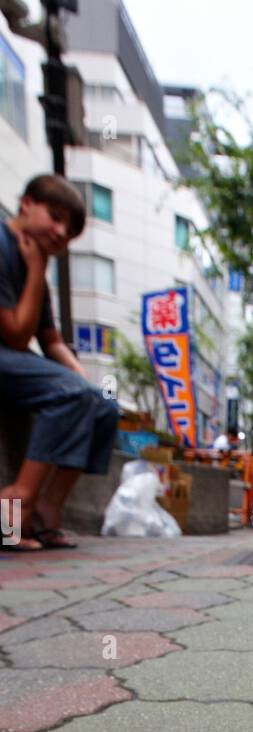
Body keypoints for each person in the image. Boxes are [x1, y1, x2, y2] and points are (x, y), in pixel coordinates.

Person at [0, 174, 120, 552]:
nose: (60, 232)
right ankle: (16, 500)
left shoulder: (32, 256)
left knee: (103, 405)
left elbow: (50, 339)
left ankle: (49, 508)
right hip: (7, 353)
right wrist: (36, 270)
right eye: (54, 216)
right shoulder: (6, 247)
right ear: (26, 204)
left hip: (14, 362)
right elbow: (18, 334)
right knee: (74, 394)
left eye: (68, 230)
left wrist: (85, 384)